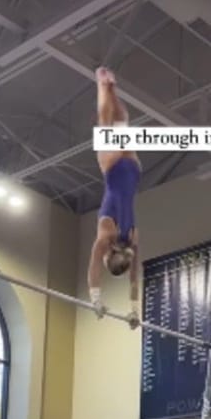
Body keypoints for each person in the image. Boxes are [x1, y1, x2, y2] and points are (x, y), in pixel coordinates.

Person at [88, 67, 141, 327]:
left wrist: (134, 309)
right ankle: (102, 84)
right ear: (108, 256)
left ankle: (112, 86)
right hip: (113, 170)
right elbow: (93, 269)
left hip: (133, 169)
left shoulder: (133, 240)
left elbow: (134, 276)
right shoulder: (105, 238)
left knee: (122, 119)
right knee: (105, 121)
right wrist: (95, 299)